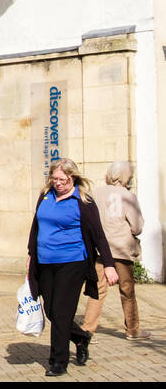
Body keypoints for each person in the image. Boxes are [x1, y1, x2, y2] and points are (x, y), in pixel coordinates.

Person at [27, 158, 117, 377]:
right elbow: (35, 228)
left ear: (73, 178)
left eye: (63, 180)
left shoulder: (83, 201)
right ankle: (81, 337)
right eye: (54, 178)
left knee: (61, 311)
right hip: (45, 262)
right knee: (50, 310)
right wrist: (30, 255)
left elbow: (98, 235)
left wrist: (109, 265)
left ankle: (58, 361)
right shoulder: (45, 196)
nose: (58, 183)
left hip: (72, 263)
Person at [81, 161, 148, 340]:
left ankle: (87, 330)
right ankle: (133, 330)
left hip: (101, 250)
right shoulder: (128, 196)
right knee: (127, 290)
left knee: (98, 290)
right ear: (127, 176)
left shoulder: (95, 193)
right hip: (122, 249)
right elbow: (137, 226)